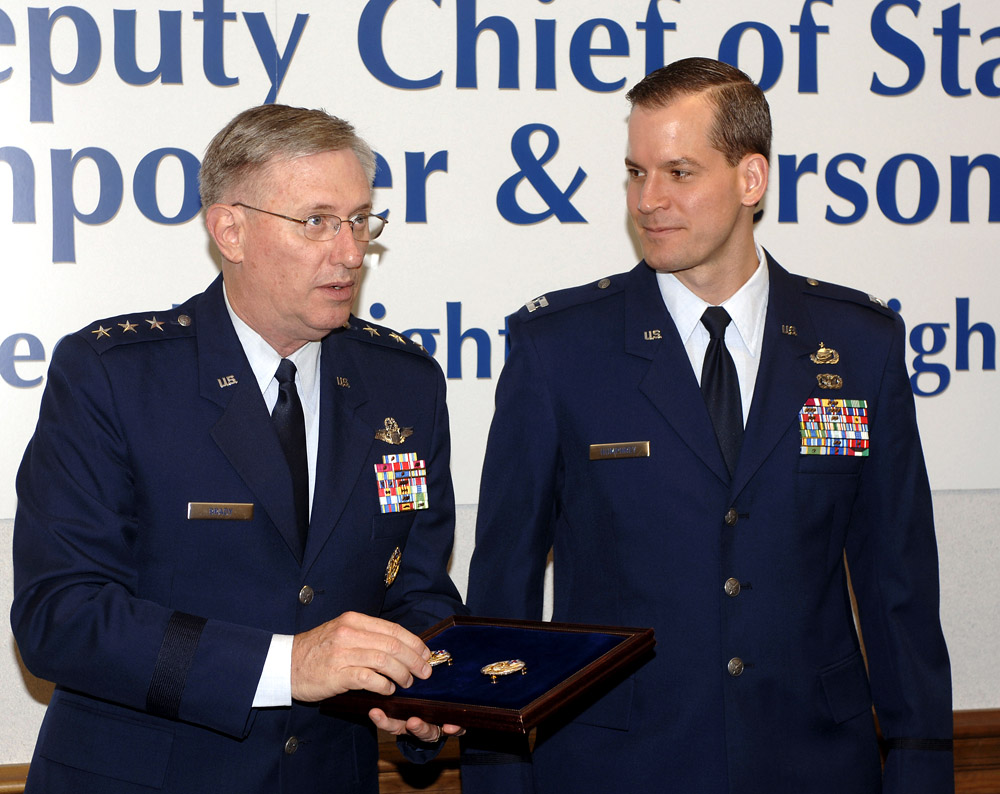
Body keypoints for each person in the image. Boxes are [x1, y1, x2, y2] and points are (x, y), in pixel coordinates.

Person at [461, 58, 953, 793]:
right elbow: (505, 593)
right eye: (636, 173)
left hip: (815, 765)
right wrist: (496, 777)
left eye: (679, 173)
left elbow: (898, 586)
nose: (648, 200)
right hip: (617, 770)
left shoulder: (858, 346)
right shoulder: (559, 350)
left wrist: (919, 765)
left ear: (751, 179)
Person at [11, 104, 465, 793]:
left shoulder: (403, 384)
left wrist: (426, 694)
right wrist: (286, 666)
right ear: (231, 230)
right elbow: (60, 617)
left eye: (358, 220)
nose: (350, 252)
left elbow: (417, 589)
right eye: (316, 221)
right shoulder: (115, 377)